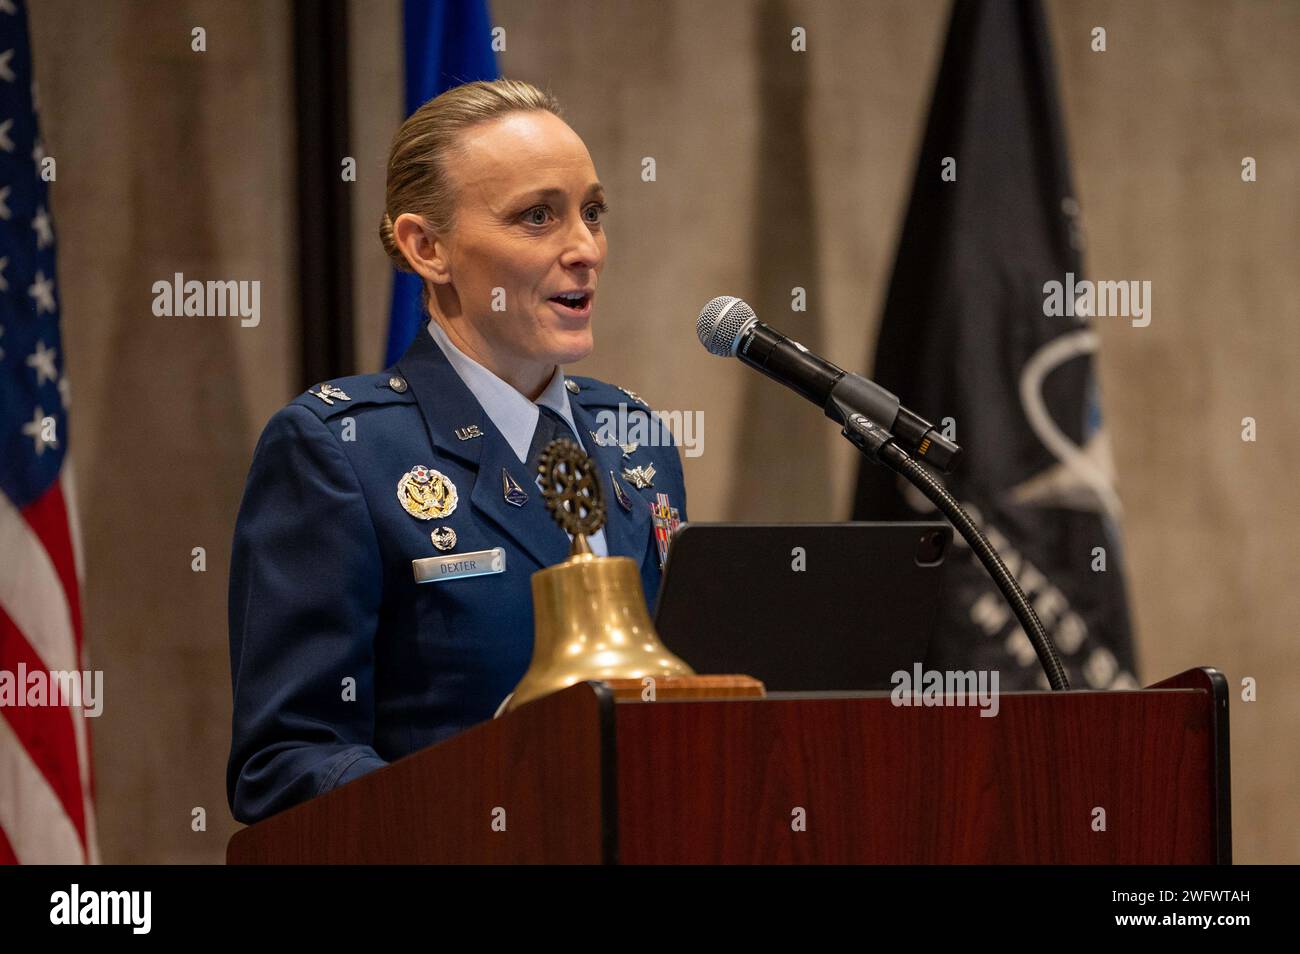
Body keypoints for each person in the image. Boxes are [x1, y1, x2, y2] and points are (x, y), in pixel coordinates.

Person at [226, 79, 688, 825]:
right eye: (538, 217)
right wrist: (488, 811)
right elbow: (287, 762)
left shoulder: (634, 436)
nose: (585, 250)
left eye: (592, 212)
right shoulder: (340, 449)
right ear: (426, 247)